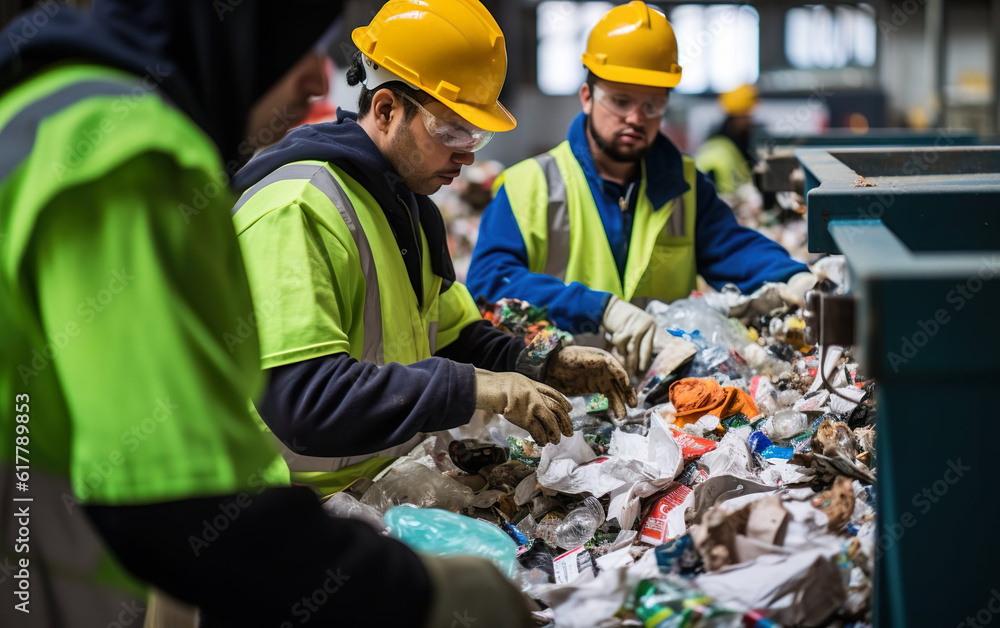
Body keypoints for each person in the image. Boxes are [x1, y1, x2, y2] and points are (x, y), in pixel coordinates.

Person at [0, 1, 533, 626]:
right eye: (296, 51)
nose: (319, 81)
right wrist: (419, 593)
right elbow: (174, 507)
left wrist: (533, 362)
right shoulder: (133, 157)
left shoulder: (55, 110)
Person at [231, 0, 635, 496]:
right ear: (385, 109)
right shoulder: (297, 209)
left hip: (380, 489)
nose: (466, 153)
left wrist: (543, 364)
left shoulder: (408, 204)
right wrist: (471, 388)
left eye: (476, 134)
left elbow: (455, 337)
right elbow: (305, 403)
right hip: (292, 506)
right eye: (452, 130)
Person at [466, 1, 814, 377]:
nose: (635, 118)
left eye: (652, 105)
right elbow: (490, 282)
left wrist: (793, 277)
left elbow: (733, 248)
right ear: (587, 97)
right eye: (620, 101)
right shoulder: (529, 184)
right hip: (563, 391)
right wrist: (602, 309)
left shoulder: (684, 184)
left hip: (664, 394)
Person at [695, 84, 759, 196]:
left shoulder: (741, 138)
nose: (750, 121)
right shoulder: (719, 148)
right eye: (747, 115)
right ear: (738, 115)